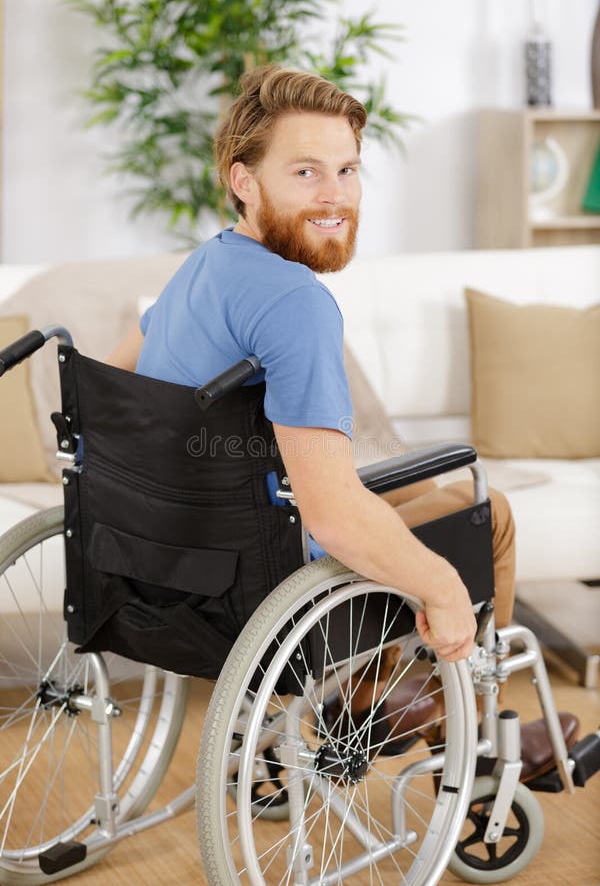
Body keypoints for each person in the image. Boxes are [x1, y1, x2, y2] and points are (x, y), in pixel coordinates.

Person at [107, 65, 575, 771]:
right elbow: (329, 512)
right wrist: (442, 590)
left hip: (174, 552)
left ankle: (372, 698)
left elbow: (115, 381)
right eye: (305, 172)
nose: (335, 196)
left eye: (348, 170)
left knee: (410, 498)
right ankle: (467, 737)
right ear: (244, 180)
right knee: (487, 510)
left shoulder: (205, 265)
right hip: (257, 570)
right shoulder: (295, 302)